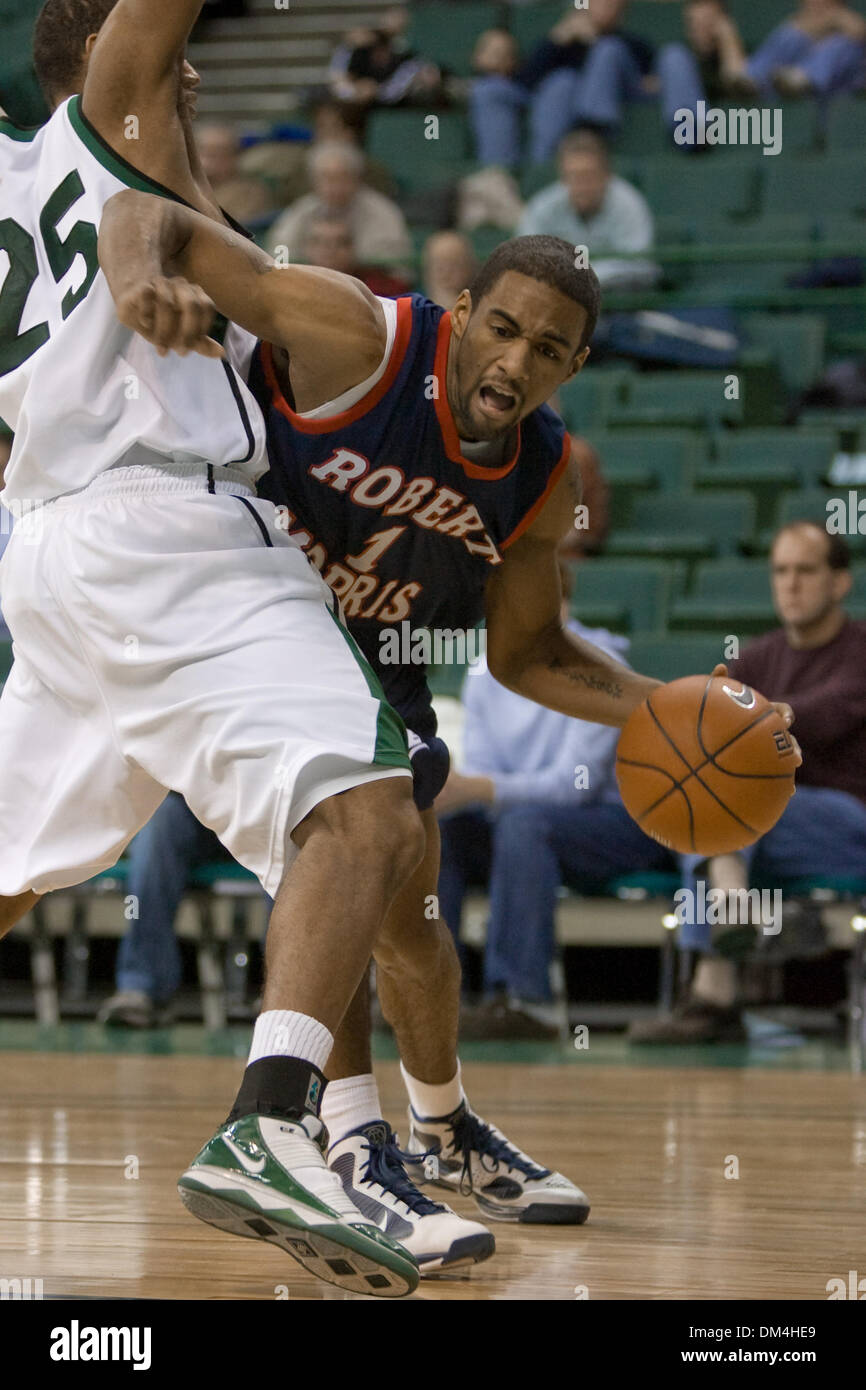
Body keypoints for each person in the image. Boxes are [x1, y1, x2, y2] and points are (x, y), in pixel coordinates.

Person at [99, 191, 800, 1241]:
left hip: (380, 673)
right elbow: (161, 219)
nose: (516, 362)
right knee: (343, 849)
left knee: (412, 927)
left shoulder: (541, 470)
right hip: (246, 637)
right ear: (461, 310)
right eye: (503, 327)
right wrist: (139, 276)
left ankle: (440, 1127)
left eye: (549, 349)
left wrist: (689, 715)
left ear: (574, 369)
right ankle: (349, 1140)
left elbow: (526, 654)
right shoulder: (362, 338)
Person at [0, 0, 434, 1298]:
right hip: (161, 527)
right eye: (174, 62)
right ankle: (274, 1120)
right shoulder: (108, 127)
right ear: (108, 63)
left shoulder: (18, 189)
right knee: (365, 808)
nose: (191, 74)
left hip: (48, 544)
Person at [631, 522, 866, 1044]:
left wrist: (745, 728)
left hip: (844, 827)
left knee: (724, 795)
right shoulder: (756, 657)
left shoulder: (860, 649)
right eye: (781, 571)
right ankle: (728, 900)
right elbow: (704, 731)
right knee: (704, 798)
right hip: (764, 831)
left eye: (806, 570)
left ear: (840, 582)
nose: (791, 584)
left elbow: (819, 719)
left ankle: (715, 990)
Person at [436, 562, 675, 1039]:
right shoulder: (485, 671)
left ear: (553, 598)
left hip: (613, 824)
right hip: (523, 825)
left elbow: (576, 786)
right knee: (445, 829)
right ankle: (437, 994)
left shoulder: (600, 665)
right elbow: (486, 772)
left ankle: (524, 998)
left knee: (524, 824)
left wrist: (477, 789)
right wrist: (464, 793)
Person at [97, 793, 229, 1027]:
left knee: (296, 827)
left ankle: (285, 992)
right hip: (192, 807)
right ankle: (142, 986)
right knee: (159, 818)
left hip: (265, 801)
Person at [470, 2, 656, 167]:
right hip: (549, 102)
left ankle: (547, 162)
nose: (603, 6)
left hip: (602, 104)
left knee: (572, 76)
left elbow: (648, 81)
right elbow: (525, 82)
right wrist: (556, 39)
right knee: (488, 90)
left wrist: (596, 40)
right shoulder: (562, 42)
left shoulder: (633, 44)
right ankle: (499, 171)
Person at [517, 130, 659, 292]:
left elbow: (641, 266)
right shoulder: (543, 208)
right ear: (563, 178)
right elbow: (525, 263)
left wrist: (580, 277)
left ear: (606, 176)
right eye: (573, 177)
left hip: (621, 307)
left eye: (588, 176)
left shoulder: (629, 205)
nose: (581, 186)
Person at [265, 141, 411, 274]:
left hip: (368, 287)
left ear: (357, 178)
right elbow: (279, 251)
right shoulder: (302, 209)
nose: (335, 186)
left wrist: (345, 257)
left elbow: (395, 262)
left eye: (343, 177)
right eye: (327, 178)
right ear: (314, 181)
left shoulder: (382, 211)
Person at [656, 1, 749, 149]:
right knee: (672, 54)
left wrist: (728, 38)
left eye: (708, 23)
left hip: (727, 135)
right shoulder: (682, 58)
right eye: (694, 25)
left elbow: (740, 80)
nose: (700, 31)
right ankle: (689, 127)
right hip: (688, 131)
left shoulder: (735, 53)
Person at [739, 0, 866, 101]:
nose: (815, 3)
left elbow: (858, 30)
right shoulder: (794, 35)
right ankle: (749, 78)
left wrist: (834, 19)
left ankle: (801, 77)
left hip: (836, 104)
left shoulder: (848, 36)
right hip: (782, 102)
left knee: (842, 44)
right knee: (790, 36)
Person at [302, 209, 410, 297]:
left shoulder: (379, 290)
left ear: (353, 248)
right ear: (307, 248)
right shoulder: (293, 288)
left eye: (341, 242)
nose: (331, 249)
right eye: (320, 242)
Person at [194, 121, 274, 225]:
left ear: (235, 156)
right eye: (205, 151)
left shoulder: (249, 193)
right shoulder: (181, 187)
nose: (211, 160)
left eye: (221, 153)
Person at [421, 229, 478, 311]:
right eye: (439, 268)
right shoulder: (413, 310)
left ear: (469, 268)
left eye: (453, 266)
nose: (446, 275)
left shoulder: (480, 311)